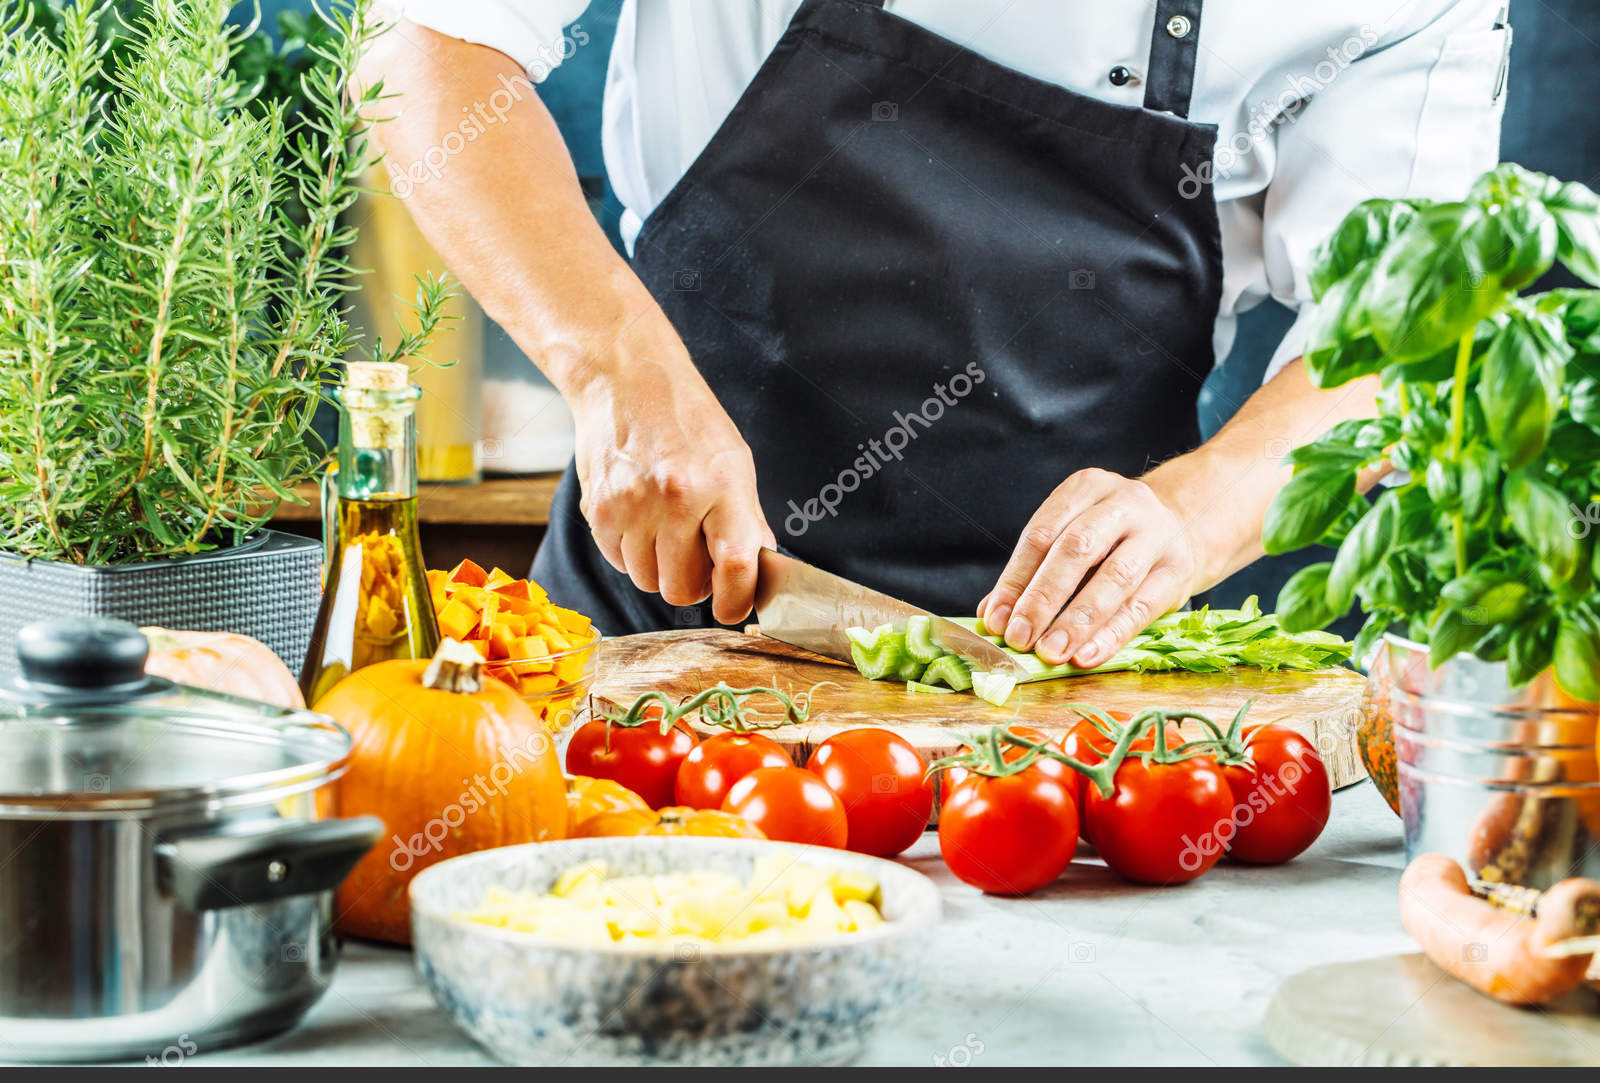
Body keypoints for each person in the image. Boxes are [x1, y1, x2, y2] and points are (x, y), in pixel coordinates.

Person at [360, 0, 1508, 665]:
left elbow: (1400, 324)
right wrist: (615, 371)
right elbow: (423, 49)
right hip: (656, 635)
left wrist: (1191, 519)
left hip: (1063, 704)